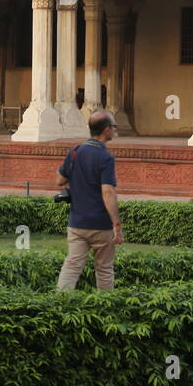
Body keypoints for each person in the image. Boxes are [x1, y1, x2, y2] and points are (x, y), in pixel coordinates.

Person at [55, 110, 122, 291]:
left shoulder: (75, 152)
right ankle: (106, 308)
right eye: (114, 127)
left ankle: (60, 303)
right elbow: (108, 192)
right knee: (105, 269)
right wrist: (117, 224)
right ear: (106, 130)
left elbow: (59, 180)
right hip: (100, 224)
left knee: (72, 266)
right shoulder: (105, 157)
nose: (115, 130)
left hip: (77, 223)